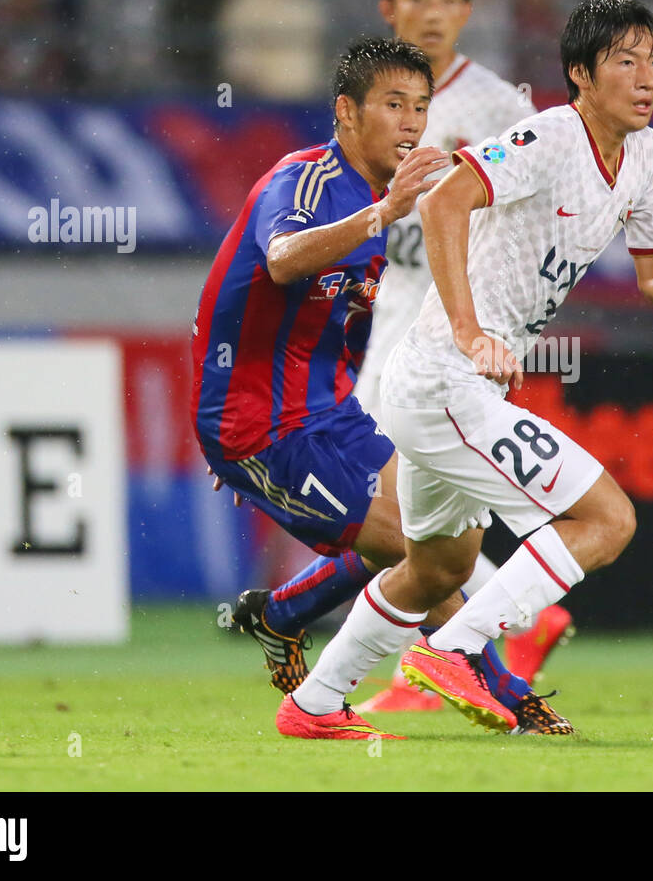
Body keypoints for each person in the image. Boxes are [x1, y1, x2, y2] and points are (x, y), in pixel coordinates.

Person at [288, 0, 653, 735]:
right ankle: (456, 649)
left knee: (438, 568)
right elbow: (443, 201)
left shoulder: (642, 155)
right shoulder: (550, 138)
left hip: (445, 387)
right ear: (582, 75)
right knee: (607, 518)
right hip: (443, 377)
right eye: (626, 61)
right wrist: (468, 330)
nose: (647, 77)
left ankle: (315, 705)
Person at [191, 37, 556, 739]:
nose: (412, 122)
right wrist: (230, 447)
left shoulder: (381, 205)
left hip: (328, 410)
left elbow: (346, 319)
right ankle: (501, 690)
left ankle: (282, 615)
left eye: (420, 106)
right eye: (394, 105)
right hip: (258, 426)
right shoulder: (302, 184)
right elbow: (280, 260)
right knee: (405, 546)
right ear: (346, 113)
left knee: (437, 540)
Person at [351, 0, 574, 713]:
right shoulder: (373, 93)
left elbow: (540, 216)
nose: (432, 12)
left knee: (386, 511)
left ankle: (463, 649)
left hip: (448, 333)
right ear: (390, 8)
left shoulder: (500, 108)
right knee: (399, 516)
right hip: (388, 322)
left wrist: (500, 322)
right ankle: (483, 639)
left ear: (468, 12)